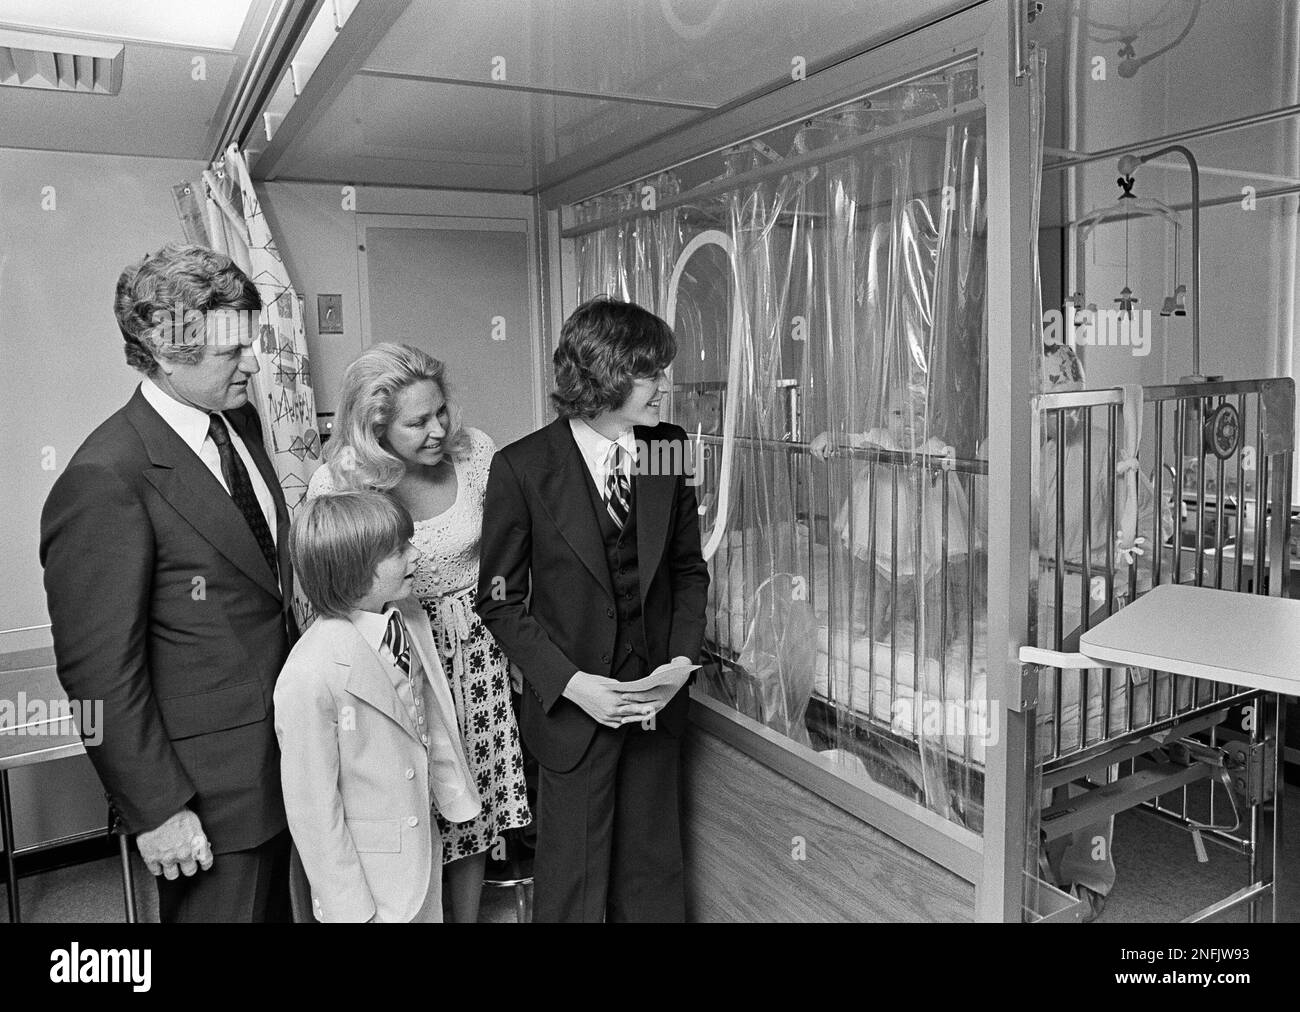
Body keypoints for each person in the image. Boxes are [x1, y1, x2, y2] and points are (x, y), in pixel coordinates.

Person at [39, 242, 297, 922]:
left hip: (283, 766)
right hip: (205, 799)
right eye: (229, 352)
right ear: (165, 351)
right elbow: (99, 674)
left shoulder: (235, 424)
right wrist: (156, 809)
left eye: (251, 342)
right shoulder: (107, 477)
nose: (252, 362)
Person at [476, 296, 710, 922]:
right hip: (573, 716)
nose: (665, 386)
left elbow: (689, 568)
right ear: (604, 374)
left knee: (653, 881)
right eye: (650, 372)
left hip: (655, 706)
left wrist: (680, 663)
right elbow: (498, 603)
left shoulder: (668, 447)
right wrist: (576, 686)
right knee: (573, 891)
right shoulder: (522, 467)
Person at [308, 343, 530, 923]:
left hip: (479, 649)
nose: (438, 430)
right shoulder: (341, 483)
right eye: (416, 422)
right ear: (375, 426)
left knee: (473, 802)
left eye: (441, 412)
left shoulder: (475, 452)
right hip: (397, 654)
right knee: (407, 802)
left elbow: (514, 549)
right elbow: (329, 592)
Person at [275, 491, 480, 922]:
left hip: (419, 851)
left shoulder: (404, 618)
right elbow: (314, 811)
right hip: (369, 880)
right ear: (353, 568)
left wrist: (452, 794)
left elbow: (427, 718)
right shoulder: (309, 674)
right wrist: (348, 906)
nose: (416, 554)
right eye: (398, 550)